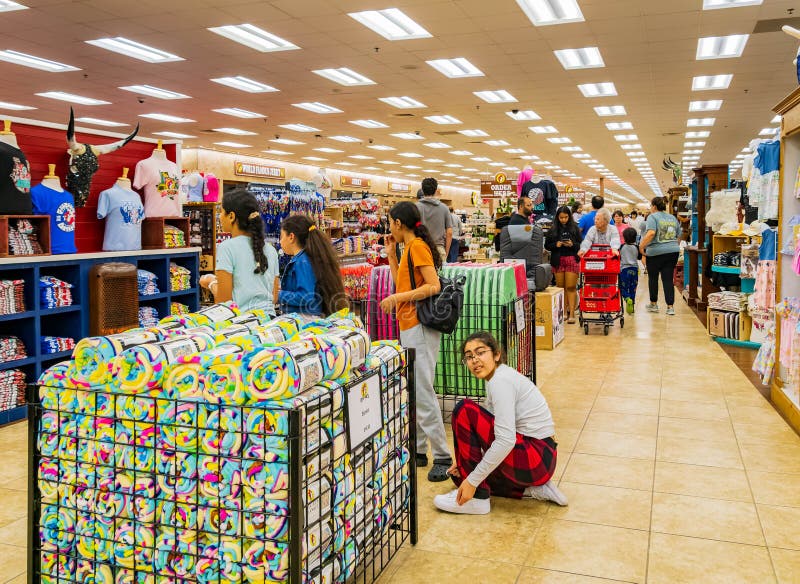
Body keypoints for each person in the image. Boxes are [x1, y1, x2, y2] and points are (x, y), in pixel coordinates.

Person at [433, 331, 567, 515]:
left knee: (464, 410)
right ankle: (533, 490)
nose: (474, 360)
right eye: (469, 356)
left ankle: (478, 499)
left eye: (480, 352)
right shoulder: (498, 378)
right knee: (462, 477)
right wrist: (467, 465)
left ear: (496, 355)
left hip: (536, 456)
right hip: (542, 460)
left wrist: (472, 480)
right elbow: (496, 434)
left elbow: (505, 440)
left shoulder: (500, 381)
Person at [380, 201, 452, 482]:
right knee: (415, 388)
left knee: (422, 391)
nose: (390, 228)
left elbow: (432, 285)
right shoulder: (409, 247)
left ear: (399, 223)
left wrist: (397, 299)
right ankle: (420, 449)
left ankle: (443, 455)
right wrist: (391, 255)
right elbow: (404, 280)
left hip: (420, 326)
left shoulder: (418, 247)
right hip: (410, 324)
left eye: (390, 222)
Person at [199, 188, 279, 315]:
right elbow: (274, 298)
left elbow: (224, 302)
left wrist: (211, 282)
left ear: (231, 216)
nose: (219, 217)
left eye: (221, 212)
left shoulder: (227, 248)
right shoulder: (271, 250)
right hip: (268, 323)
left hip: (241, 325)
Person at [278, 214, 347, 316]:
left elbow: (306, 296)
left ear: (291, 237)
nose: (280, 241)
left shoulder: (302, 261)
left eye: (282, 236)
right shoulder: (306, 258)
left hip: (304, 320)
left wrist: (278, 295)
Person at [640, 196, 681, 316]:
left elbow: (651, 233)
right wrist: (672, 245)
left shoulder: (652, 217)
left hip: (656, 252)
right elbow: (679, 235)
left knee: (653, 278)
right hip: (672, 251)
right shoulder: (672, 218)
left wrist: (641, 246)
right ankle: (670, 307)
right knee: (668, 279)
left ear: (654, 206)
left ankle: (654, 304)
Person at [545, 206, 582, 323]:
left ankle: (572, 313)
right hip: (558, 260)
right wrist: (556, 244)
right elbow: (547, 245)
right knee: (561, 288)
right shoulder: (553, 229)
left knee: (570, 287)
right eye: (561, 217)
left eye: (566, 217)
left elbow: (581, 245)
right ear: (557, 217)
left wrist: (572, 244)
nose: (563, 220)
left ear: (569, 216)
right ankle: (563, 312)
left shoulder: (575, 228)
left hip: (572, 259)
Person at [416, 177, 452, 261]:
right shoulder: (444, 208)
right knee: (439, 274)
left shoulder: (415, 207)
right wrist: (445, 252)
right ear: (436, 190)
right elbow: (449, 233)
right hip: (438, 248)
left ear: (422, 189)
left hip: (420, 248)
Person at [619, 227, 641, 314]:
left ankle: (627, 298)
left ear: (624, 237)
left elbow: (619, 257)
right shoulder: (636, 247)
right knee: (633, 288)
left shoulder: (622, 247)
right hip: (634, 270)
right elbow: (639, 257)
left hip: (624, 270)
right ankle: (632, 306)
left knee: (623, 287)